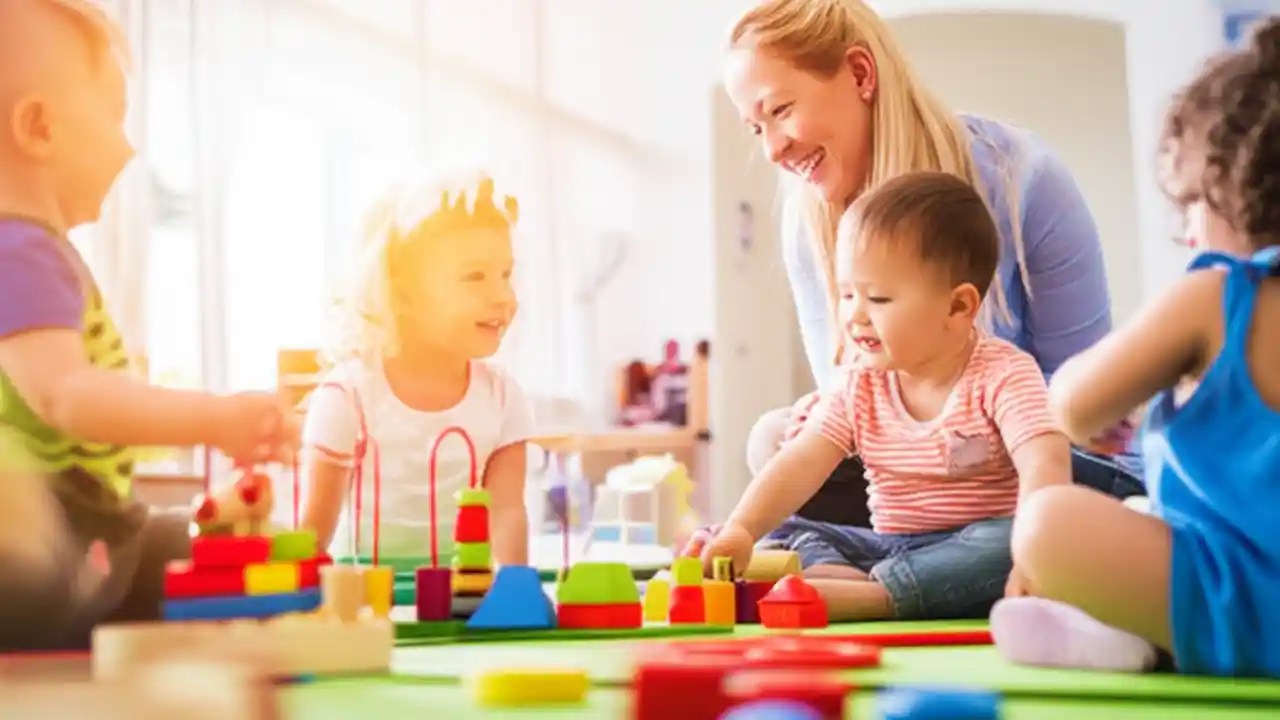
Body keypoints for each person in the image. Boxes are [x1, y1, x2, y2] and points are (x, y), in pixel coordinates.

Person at [723, 0, 1140, 531]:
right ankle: (937, 558)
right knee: (772, 439)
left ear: (859, 73)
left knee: (1071, 473)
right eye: (757, 129)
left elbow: (1089, 397)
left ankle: (928, 565)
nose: (774, 151)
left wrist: (973, 433)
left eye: (780, 110)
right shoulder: (806, 226)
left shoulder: (1023, 178)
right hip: (910, 482)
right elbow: (848, 403)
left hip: (1030, 461)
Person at [0, 0, 296, 650]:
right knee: (46, 562)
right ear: (39, 128)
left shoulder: (36, 254)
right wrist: (214, 419)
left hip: (100, 531)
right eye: (113, 116)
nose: (128, 145)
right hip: (59, 528)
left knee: (181, 543)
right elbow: (68, 397)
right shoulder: (18, 252)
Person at [992, 18, 1280, 677]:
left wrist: (1123, 393)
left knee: (1047, 522)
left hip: (1240, 614)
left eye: (1188, 206)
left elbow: (1071, 405)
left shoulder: (1217, 294)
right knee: (1143, 509)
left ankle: (1137, 639)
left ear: (1230, 190)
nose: (1185, 229)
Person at [689, 171, 1071, 621]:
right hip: (886, 544)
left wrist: (1033, 551)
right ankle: (844, 575)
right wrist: (741, 529)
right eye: (848, 294)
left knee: (1015, 541)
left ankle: (877, 597)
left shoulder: (1004, 373)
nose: (855, 316)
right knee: (788, 532)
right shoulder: (861, 381)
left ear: (958, 306)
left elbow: (1045, 462)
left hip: (973, 544)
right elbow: (802, 459)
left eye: (879, 299)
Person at [301, 173, 534, 567]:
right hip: (368, 612)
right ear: (401, 291)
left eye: (506, 274)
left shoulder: (503, 397)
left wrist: (514, 593)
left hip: (463, 605)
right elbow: (310, 542)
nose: (502, 297)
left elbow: (507, 513)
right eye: (474, 276)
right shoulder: (348, 397)